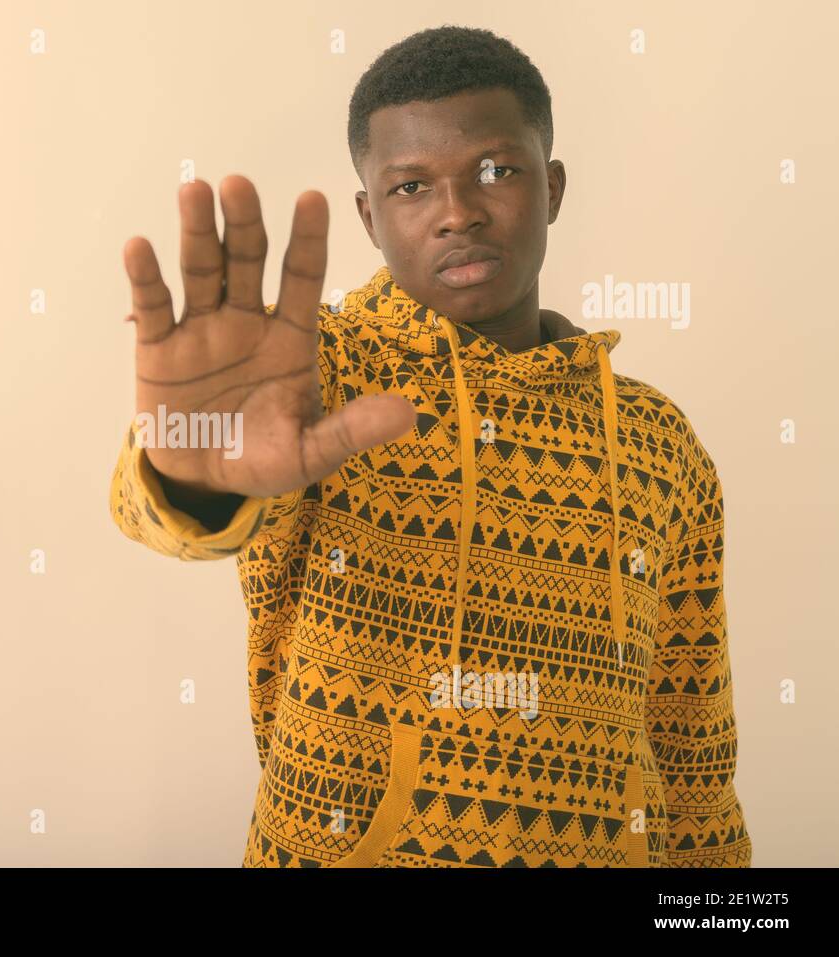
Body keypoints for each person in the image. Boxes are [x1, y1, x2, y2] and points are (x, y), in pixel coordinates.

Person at [109, 25, 751, 868]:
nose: (458, 212)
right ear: (371, 216)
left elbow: (690, 736)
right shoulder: (318, 373)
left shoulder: (659, 441)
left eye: (496, 170)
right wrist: (191, 469)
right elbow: (153, 514)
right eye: (412, 187)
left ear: (551, 187)